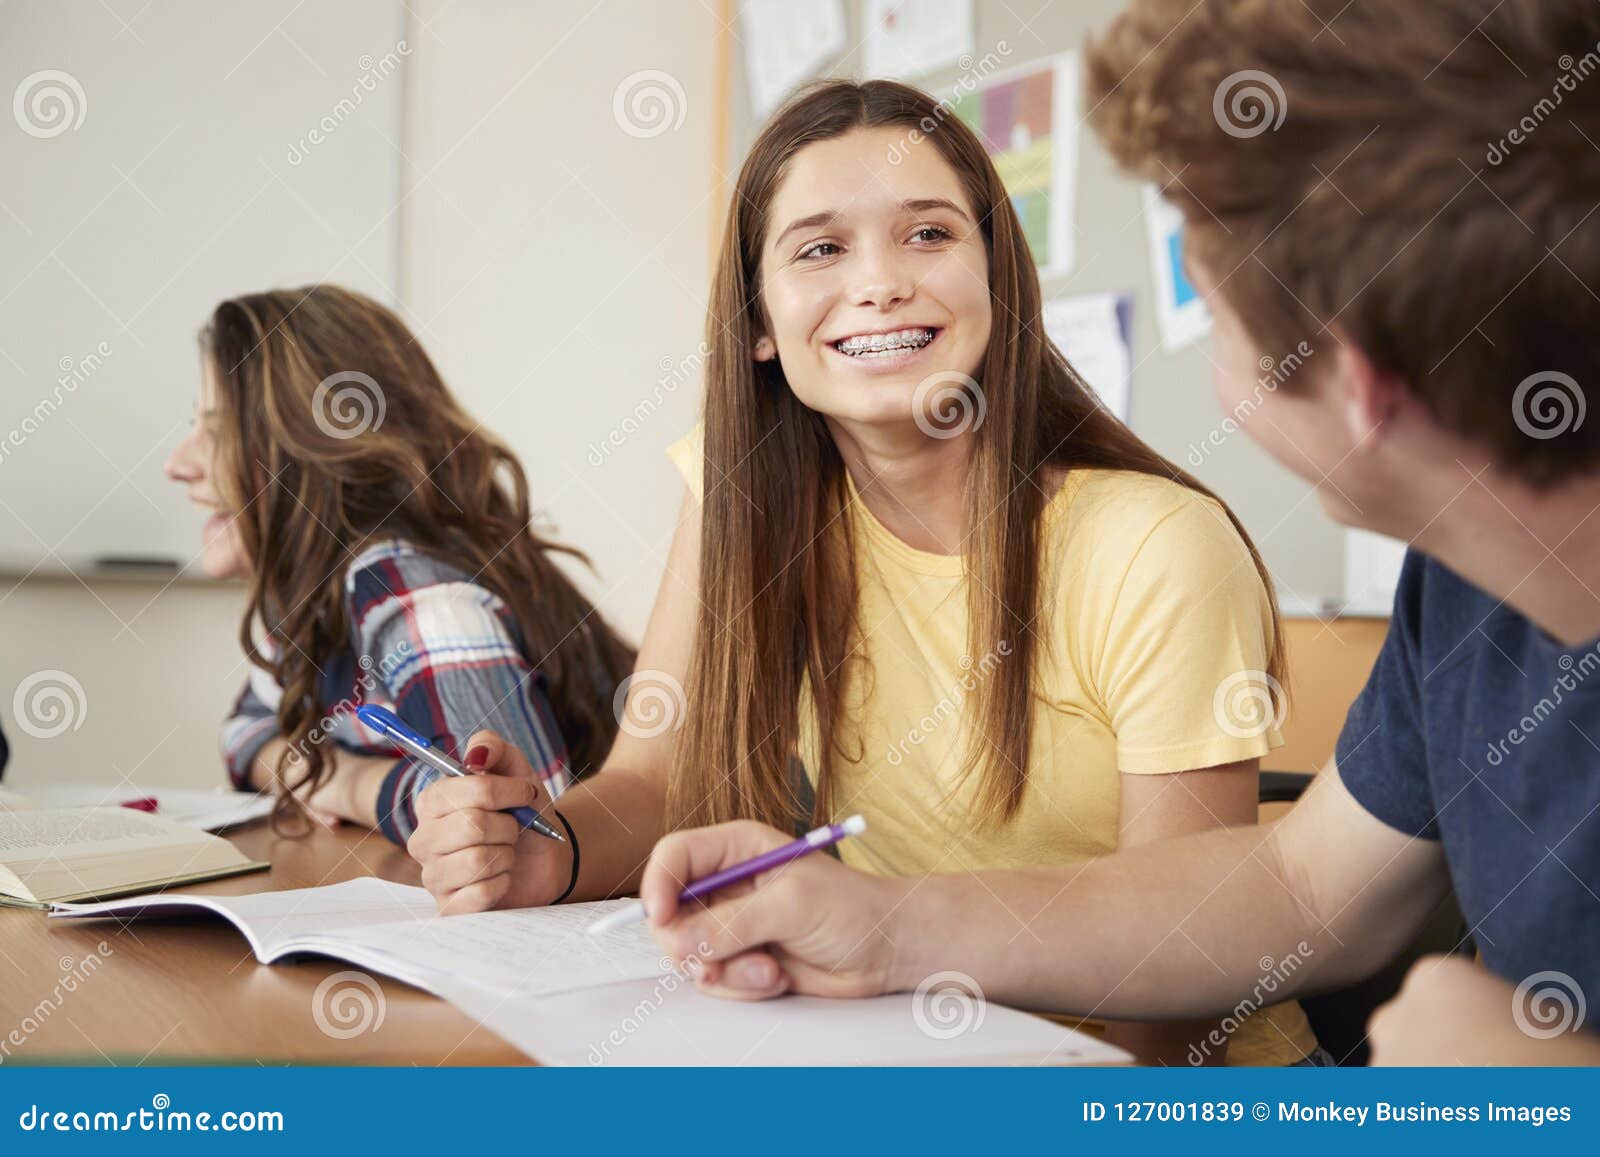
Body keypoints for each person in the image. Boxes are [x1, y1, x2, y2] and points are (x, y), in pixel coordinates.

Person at [635, 0, 1600, 1065]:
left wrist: (1545, 1088)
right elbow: (1301, 884)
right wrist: (878, 925)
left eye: (1215, 304)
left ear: (1356, 384)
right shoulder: (1463, 589)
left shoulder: (1153, 541)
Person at [407, 79, 1321, 1063]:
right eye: (820, 247)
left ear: (996, 283)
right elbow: (659, 774)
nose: (880, 281)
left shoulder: (1155, 546)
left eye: (927, 234)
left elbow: (1179, 976)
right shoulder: (740, 496)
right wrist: (547, 848)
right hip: (912, 1045)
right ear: (758, 321)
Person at [164, 285, 634, 844]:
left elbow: (519, 830)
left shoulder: (419, 602)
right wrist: (332, 775)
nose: (177, 464)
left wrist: (348, 785)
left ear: (309, 449)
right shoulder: (307, 596)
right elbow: (244, 735)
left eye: (217, 432)